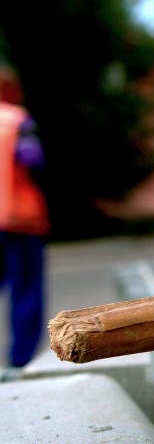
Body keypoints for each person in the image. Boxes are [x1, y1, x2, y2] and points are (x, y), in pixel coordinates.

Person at [0, 80, 48, 374]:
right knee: (26, 290)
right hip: (20, 219)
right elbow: (33, 158)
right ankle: (21, 363)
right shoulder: (17, 120)